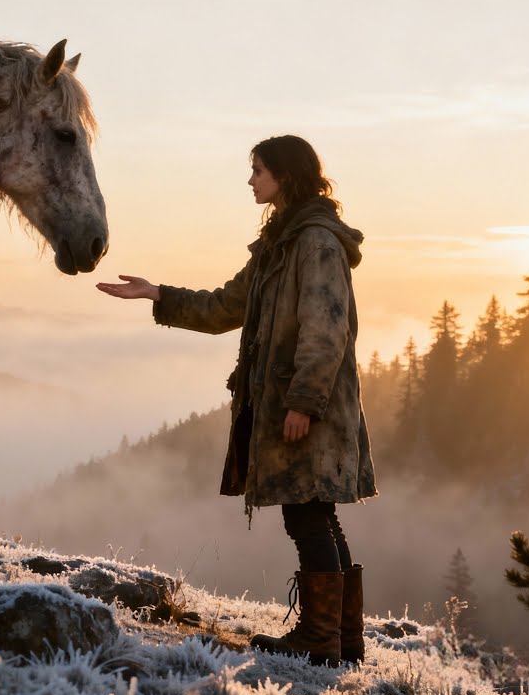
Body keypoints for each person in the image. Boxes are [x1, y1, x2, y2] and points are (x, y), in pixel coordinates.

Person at [96, 135, 375, 666]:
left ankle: (322, 643)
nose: (250, 181)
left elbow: (326, 328)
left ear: (285, 176)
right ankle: (340, 639)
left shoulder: (314, 241)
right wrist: (160, 295)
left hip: (307, 408)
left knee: (310, 517)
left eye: (258, 171)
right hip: (297, 405)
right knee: (317, 514)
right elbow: (228, 305)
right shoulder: (281, 243)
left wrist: (304, 403)